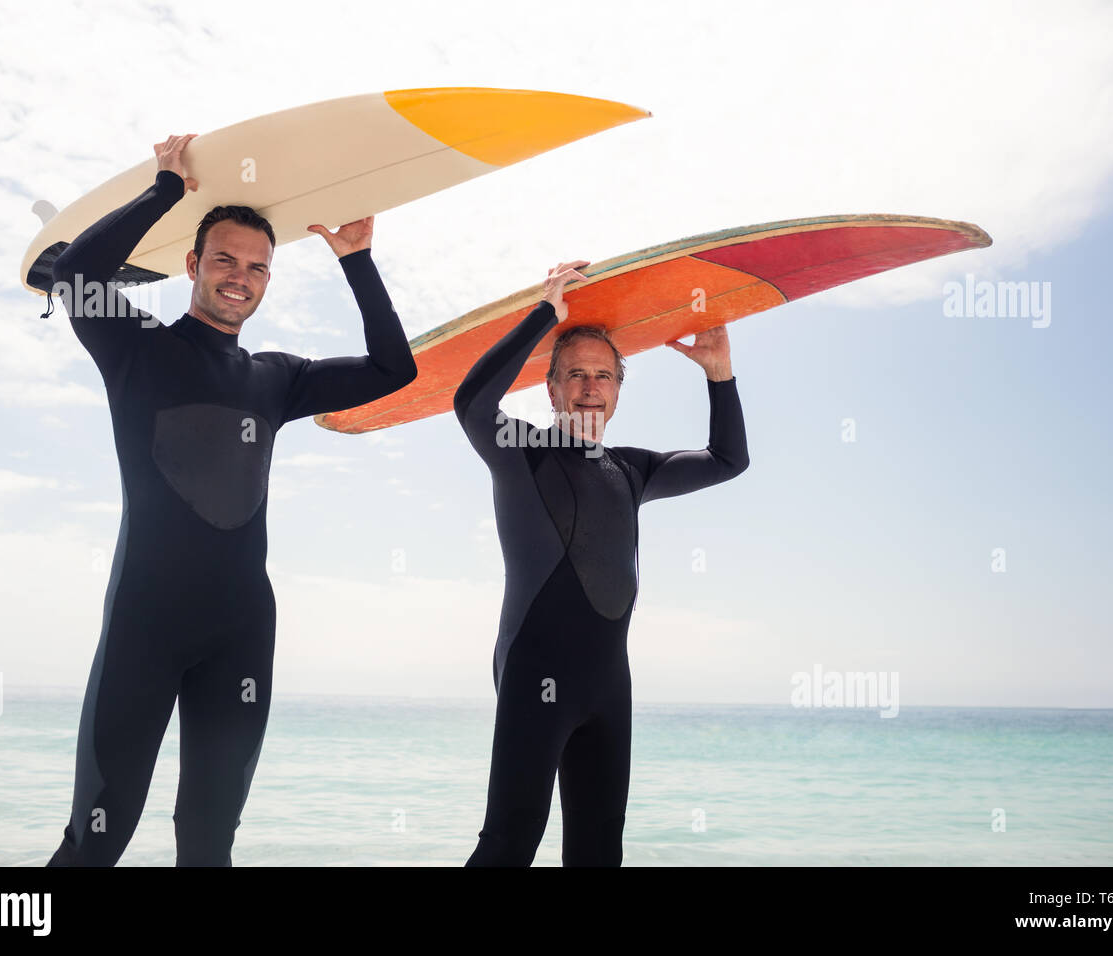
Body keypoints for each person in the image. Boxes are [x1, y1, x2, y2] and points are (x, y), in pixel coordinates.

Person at [47, 134, 417, 865]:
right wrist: (163, 192)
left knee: (210, 840)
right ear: (193, 265)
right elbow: (76, 271)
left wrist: (358, 260)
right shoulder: (135, 349)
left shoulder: (277, 378)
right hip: (143, 629)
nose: (240, 276)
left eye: (257, 266)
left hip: (241, 632)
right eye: (224, 259)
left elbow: (392, 368)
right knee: (98, 834)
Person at [454, 260, 750, 866]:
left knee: (598, 853)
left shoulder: (632, 470)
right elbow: (471, 404)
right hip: (534, 672)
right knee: (509, 843)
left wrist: (720, 374)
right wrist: (544, 314)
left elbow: (727, 459)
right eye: (575, 375)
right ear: (552, 388)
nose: (591, 386)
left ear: (617, 387)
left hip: (609, 687)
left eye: (603, 375)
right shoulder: (523, 454)